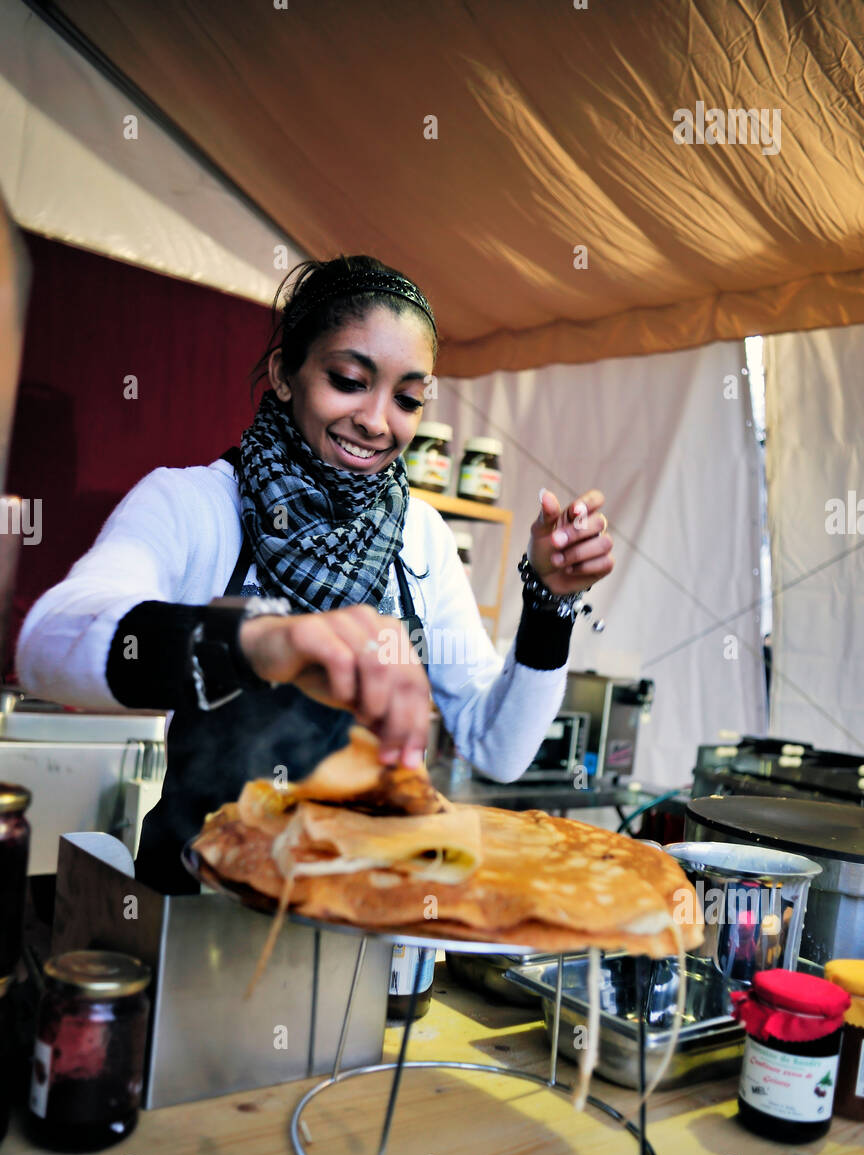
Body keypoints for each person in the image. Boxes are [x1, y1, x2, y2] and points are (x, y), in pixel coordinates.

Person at [16, 254, 614, 894]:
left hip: (358, 932)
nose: (379, 421)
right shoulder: (195, 507)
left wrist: (551, 604)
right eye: (349, 380)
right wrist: (267, 640)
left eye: (408, 397)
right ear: (284, 374)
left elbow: (499, 750)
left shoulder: (421, 540)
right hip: (198, 920)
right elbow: (46, 641)